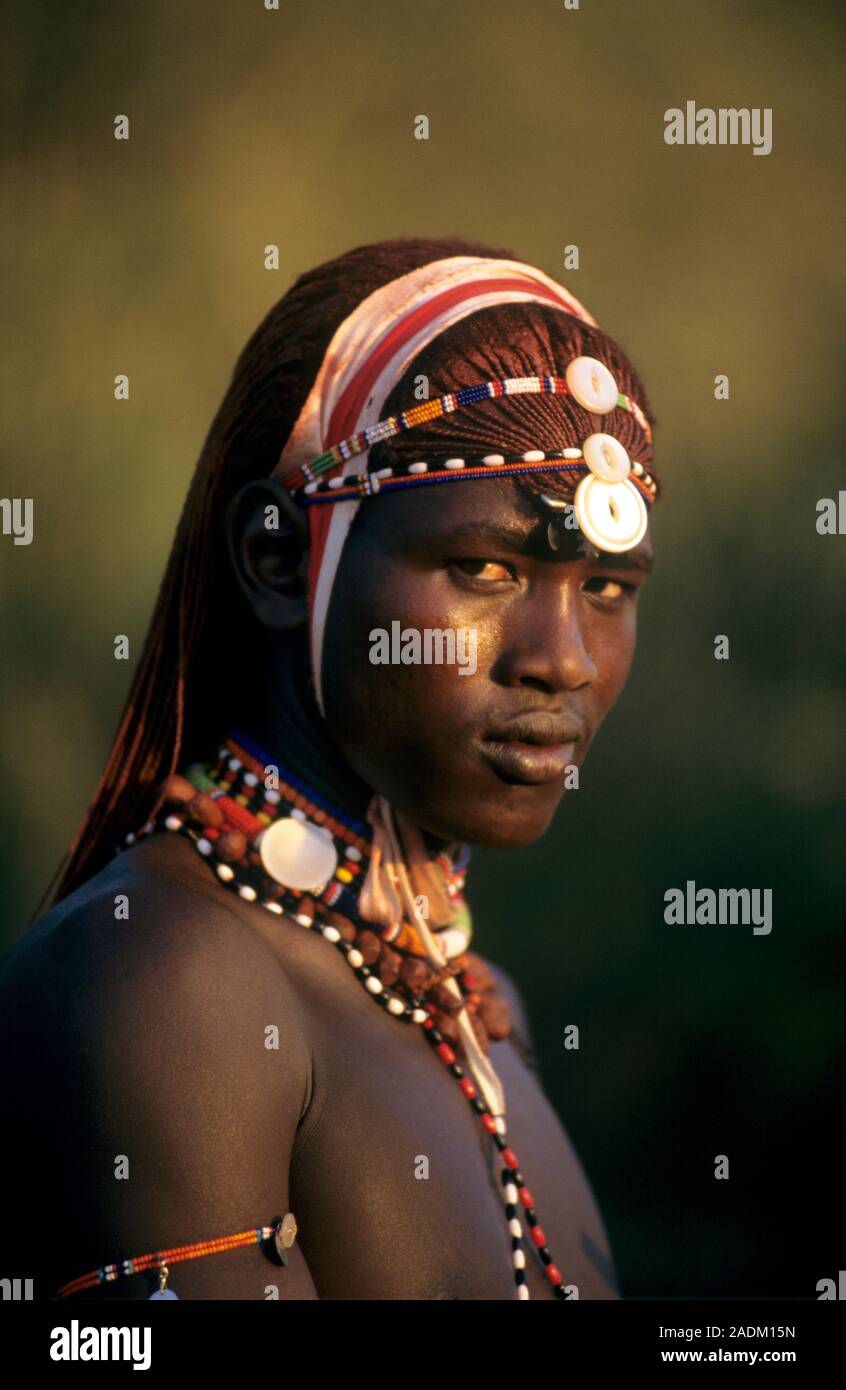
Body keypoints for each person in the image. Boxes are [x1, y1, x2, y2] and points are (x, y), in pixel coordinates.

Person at [0, 236, 660, 1301]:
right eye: (484, 568)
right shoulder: (163, 979)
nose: (562, 657)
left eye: (609, 587)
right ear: (278, 558)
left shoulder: (477, 1006)